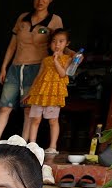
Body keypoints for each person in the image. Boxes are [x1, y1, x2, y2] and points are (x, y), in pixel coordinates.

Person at [0, 0, 63, 144]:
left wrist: (72, 56)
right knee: (5, 106)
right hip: (16, 67)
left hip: (37, 69)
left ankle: (23, 145)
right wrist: (4, 66)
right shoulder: (23, 18)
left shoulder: (54, 20)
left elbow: (60, 43)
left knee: (29, 109)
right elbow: (12, 45)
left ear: (51, 0)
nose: (41, 0)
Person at [23, 29, 74, 157]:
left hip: (54, 94)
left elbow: (62, 74)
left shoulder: (67, 59)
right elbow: (38, 77)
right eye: (54, 41)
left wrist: (56, 60)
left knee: (53, 121)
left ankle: (52, 146)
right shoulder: (46, 60)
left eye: (61, 41)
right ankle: (32, 145)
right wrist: (30, 92)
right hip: (40, 93)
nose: (57, 44)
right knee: (35, 119)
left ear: (67, 44)